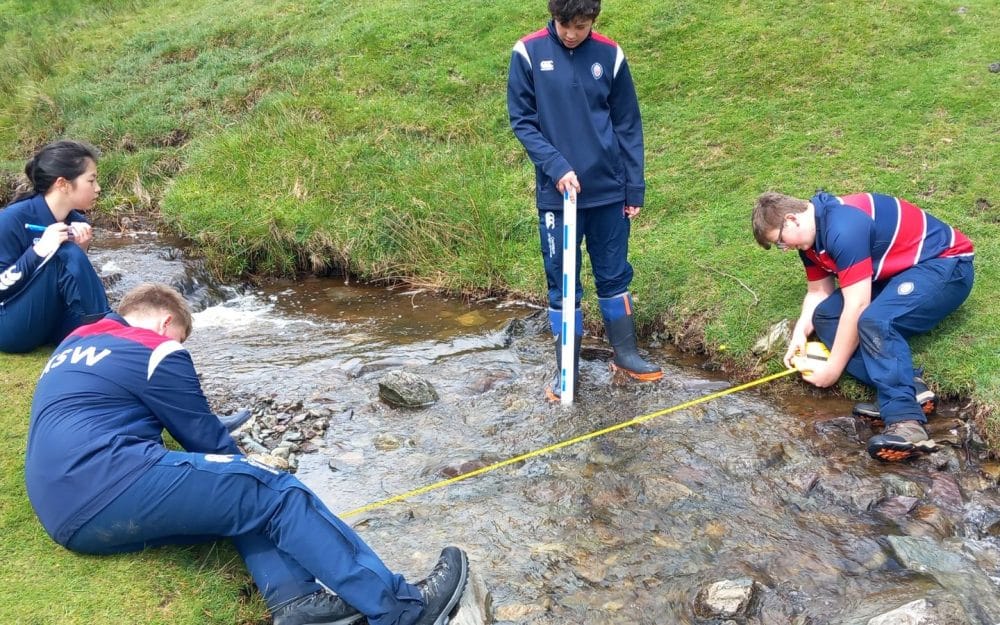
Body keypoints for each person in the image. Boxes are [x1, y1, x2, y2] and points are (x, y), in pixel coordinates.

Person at [25, 283, 468, 625]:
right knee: (271, 488)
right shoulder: (158, 349)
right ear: (165, 323)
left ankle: (298, 604)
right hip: (108, 484)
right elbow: (209, 444)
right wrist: (247, 462)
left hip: (66, 515)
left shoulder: (75, 341)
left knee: (236, 499)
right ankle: (401, 609)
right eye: (181, 338)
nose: (180, 347)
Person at [507, 0, 662, 401]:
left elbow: (627, 123)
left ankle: (626, 356)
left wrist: (634, 187)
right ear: (553, 16)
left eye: (580, 25)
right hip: (558, 196)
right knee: (563, 283)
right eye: (564, 24)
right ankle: (567, 373)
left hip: (608, 191)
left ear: (593, 20)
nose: (571, 33)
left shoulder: (610, 55)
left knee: (614, 275)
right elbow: (522, 121)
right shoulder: (528, 53)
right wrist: (556, 167)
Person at [752, 191, 975, 461]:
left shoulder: (843, 227)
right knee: (826, 317)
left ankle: (907, 424)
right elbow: (818, 293)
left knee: (874, 321)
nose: (784, 248)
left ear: (791, 219)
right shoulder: (810, 240)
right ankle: (909, 387)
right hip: (898, 273)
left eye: (779, 241)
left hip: (945, 267)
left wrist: (832, 370)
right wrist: (800, 333)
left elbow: (857, 305)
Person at [0, 139, 111, 353]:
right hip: (9, 324)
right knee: (63, 253)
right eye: (91, 181)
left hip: (49, 320)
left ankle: (105, 329)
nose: (98, 188)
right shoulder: (11, 219)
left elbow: (73, 287)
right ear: (62, 184)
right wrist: (38, 252)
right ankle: (107, 331)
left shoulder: (78, 221)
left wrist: (83, 250)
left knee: (69, 252)